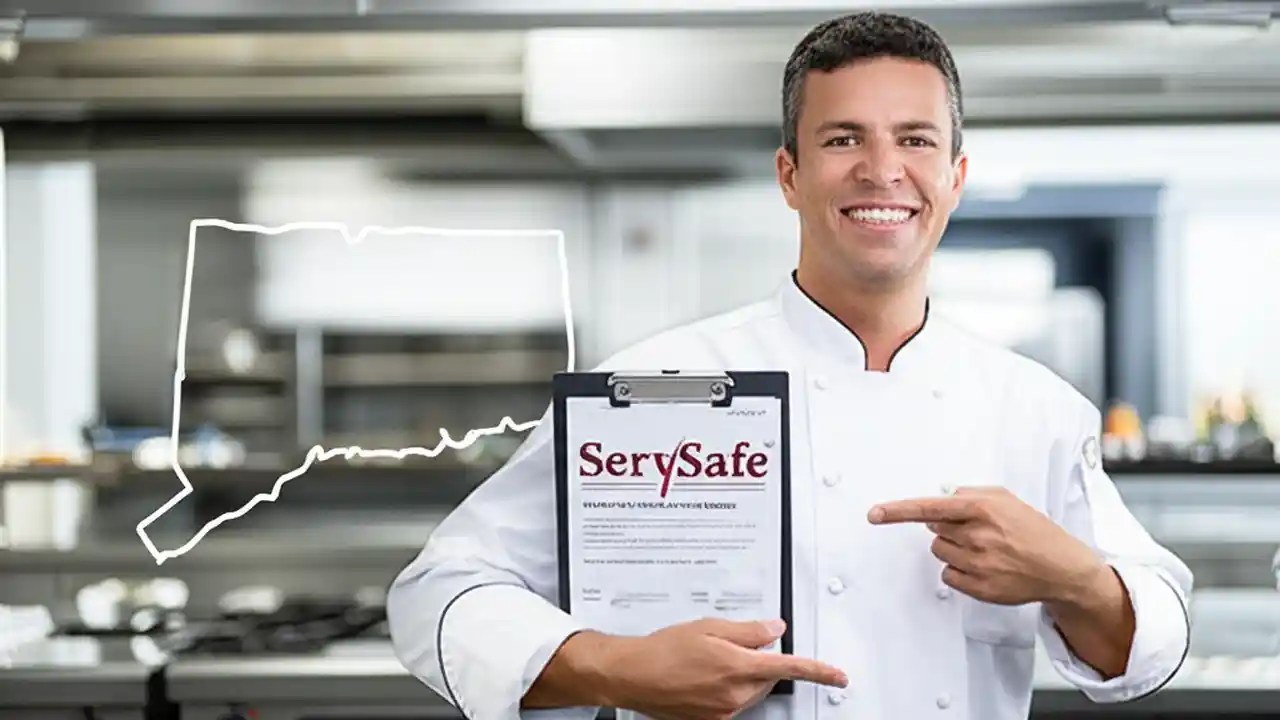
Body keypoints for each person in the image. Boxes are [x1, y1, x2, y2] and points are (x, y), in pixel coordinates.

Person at [387, 11, 1192, 720]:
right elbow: (438, 597)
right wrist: (617, 667)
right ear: (789, 175)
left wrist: (1077, 580)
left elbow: (1152, 641)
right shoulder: (654, 389)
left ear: (955, 178)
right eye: (843, 139)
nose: (882, 170)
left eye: (915, 139)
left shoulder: (1035, 410)